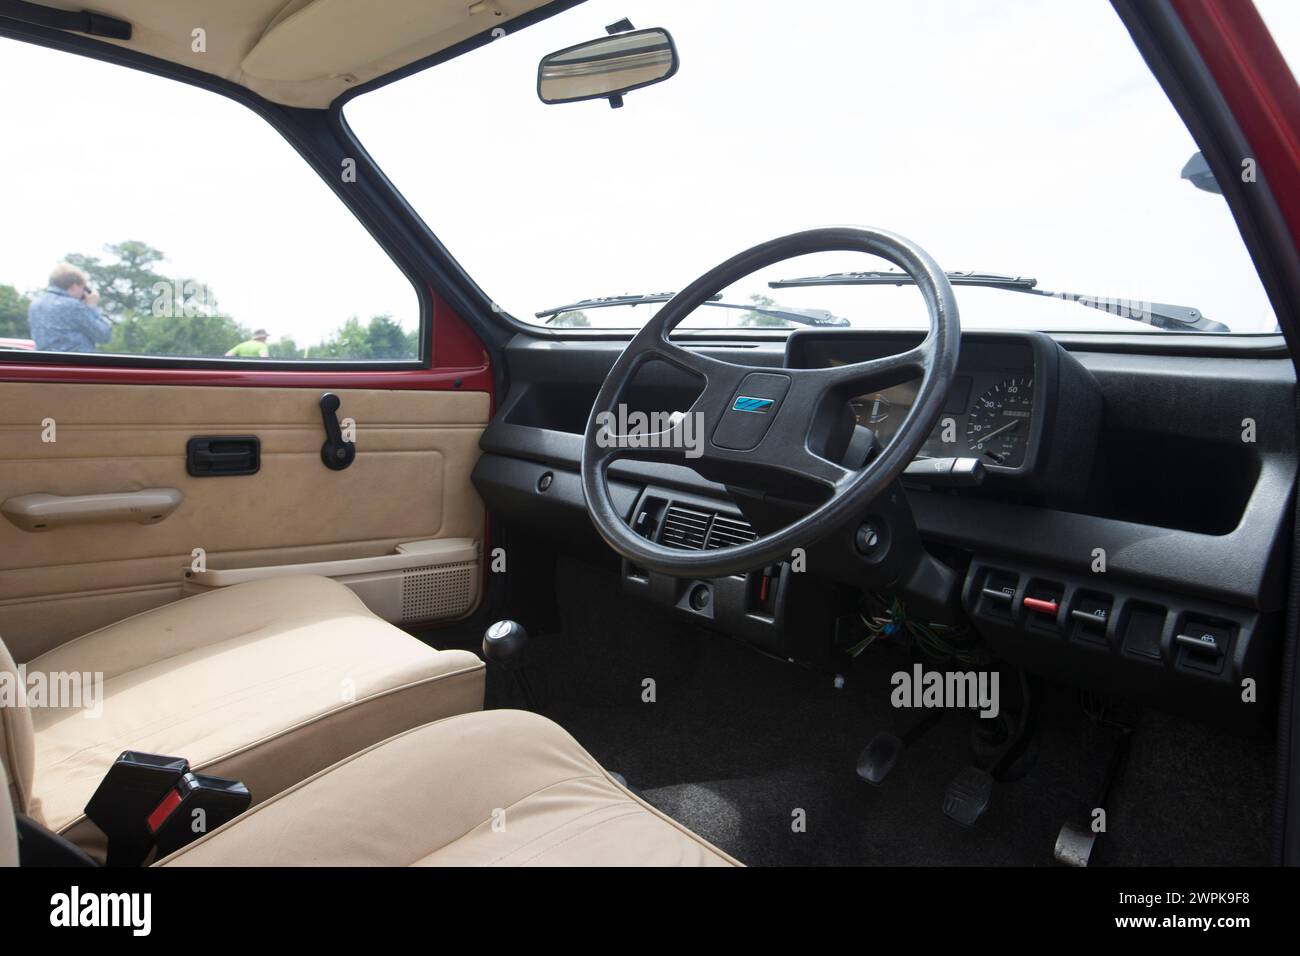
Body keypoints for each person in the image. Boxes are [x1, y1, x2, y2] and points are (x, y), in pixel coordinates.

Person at [27, 263, 113, 352]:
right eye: (83, 288)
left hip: (44, 362)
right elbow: (104, 335)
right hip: (73, 362)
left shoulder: (35, 304)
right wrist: (91, 307)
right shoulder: (73, 306)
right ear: (73, 287)